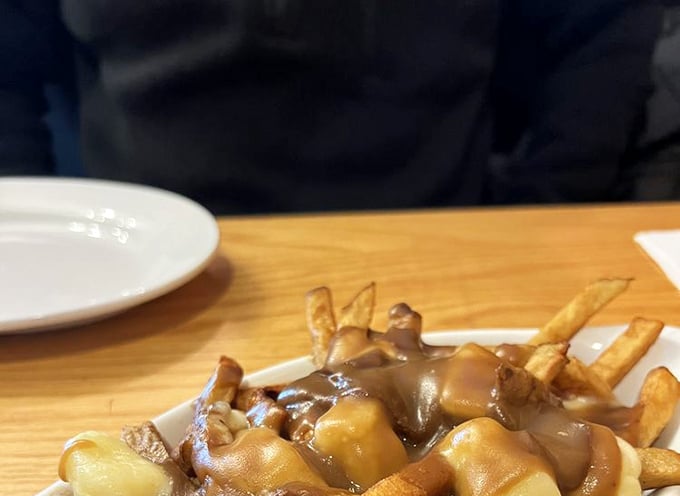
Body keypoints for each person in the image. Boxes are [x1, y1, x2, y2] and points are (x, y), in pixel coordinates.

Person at [0, 1, 665, 215]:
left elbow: (603, 23)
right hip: (138, 246)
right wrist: (25, 229)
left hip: (436, 224)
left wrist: (548, 199)